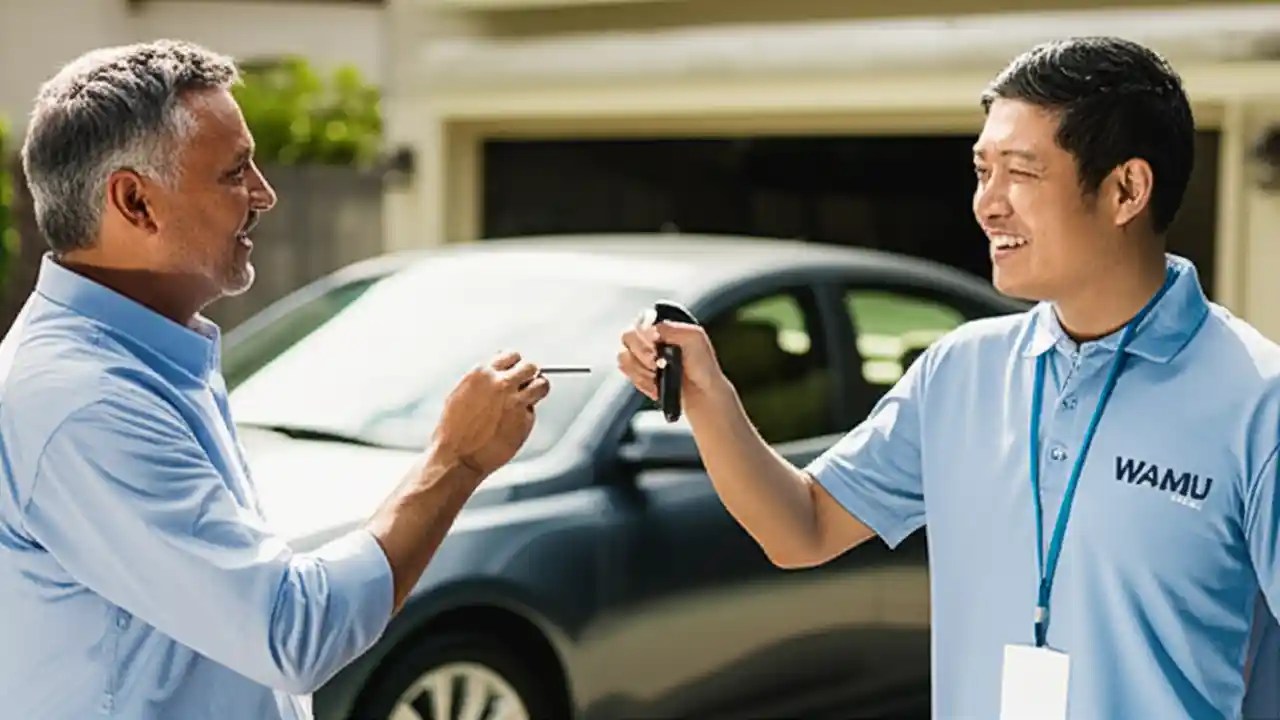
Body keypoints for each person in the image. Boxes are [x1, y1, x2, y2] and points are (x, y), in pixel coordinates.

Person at [619, 36, 1280, 719]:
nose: (987, 205)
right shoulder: (958, 373)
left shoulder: (1258, 402)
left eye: (1020, 173)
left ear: (1125, 190)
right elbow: (801, 527)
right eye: (981, 171)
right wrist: (708, 396)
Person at [0, 40, 551, 719]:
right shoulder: (81, 403)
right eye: (235, 173)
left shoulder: (146, 360)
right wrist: (456, 460)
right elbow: (289, 631)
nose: (265, 193)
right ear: (136, 202)